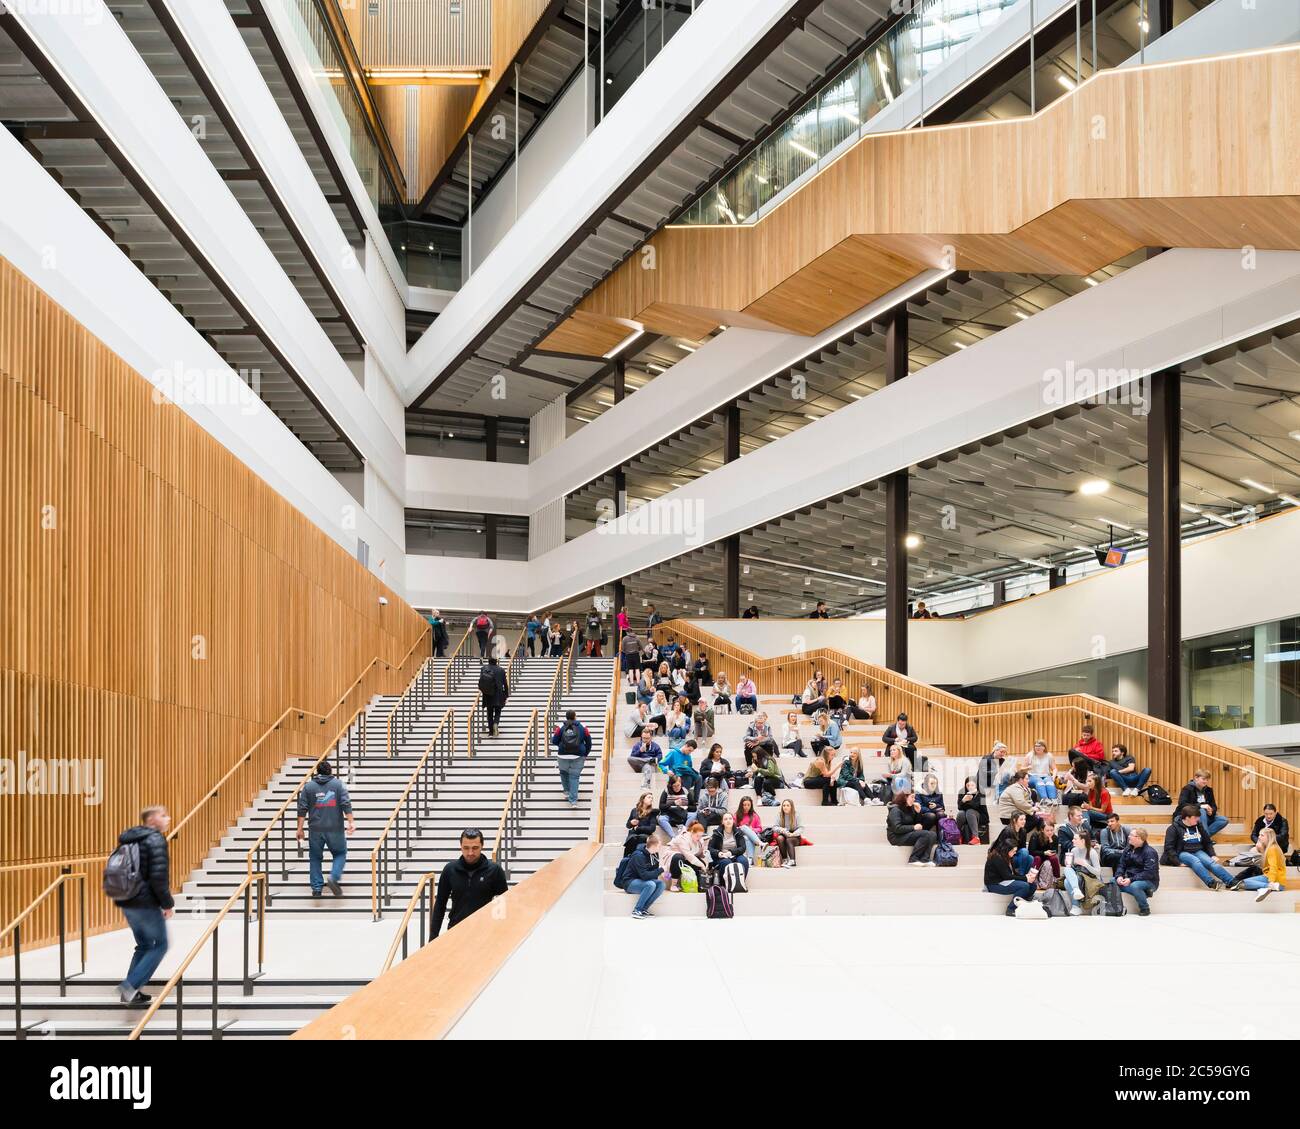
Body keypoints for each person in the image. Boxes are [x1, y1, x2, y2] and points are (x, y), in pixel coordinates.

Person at [111, 806, 174, 1006]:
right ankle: (131, 985)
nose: (168, 819)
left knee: (145, 945)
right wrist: (167, 904)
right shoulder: (155, 839)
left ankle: (131, 993)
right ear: (152, 820)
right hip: (145, 901)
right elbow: (158, 876)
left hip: (126, 899)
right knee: (161, 945)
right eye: (164, 815)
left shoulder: (128, 838)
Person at [430, 829, 509, 937]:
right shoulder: (450, 870)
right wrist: (433, 938)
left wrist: (502, 936)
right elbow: (440, 905)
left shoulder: (495, 870)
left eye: (475, 848)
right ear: (460, 846)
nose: (470, 853)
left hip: (485, 933)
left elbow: (503, 907)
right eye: (466, 848)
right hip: (456, 930)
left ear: (482, 846)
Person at [296, 759, 355, 898]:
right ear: (330, 771)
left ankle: (317, 889)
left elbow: (302, 808)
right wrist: (351, 822)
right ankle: (333, 878)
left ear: (317, 772)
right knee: (340, 853)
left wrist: (300, 829)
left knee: (315, 858)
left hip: (315, 829)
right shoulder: (338, 785)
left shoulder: (309, 787)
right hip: (335, 828)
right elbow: (346, 803)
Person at [1163, 804, 1234, 890]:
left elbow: (1207, 841)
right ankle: (1211, 883)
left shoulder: (1198, 825)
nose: (1198, 819)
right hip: (1182, 852)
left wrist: (1212, 854)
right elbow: (1169, 847)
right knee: (1196, 861)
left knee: (1211, 862)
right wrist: (1177, 862)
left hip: (1198, 850)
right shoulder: (1173, 828)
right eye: (1195, 817)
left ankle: (1231, 881)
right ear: (1187, 818)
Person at [1112, 827, 1160, 916]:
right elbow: (1121, 865)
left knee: (1135, 886)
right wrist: (1119, 876)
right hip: (1131, 878)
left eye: (1131, 835)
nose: (1129, 837)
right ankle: (1143, 893)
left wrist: (1131, 880)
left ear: (1138, 838)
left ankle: (1145, 908)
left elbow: (1149, 873)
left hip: (1149, 881)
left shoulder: (1150, 852)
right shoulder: (1128, 849)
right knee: (1112, 881)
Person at [985, 839, 1036, 916]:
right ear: (1007, 850)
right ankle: (1010, 909)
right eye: (1014, 851)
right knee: (1024, 886)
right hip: (995, 884)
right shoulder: (997, 857)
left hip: (1005, 881)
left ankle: (1023, 904)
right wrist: (1025, 879)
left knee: (1033, 885)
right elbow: (1007, 876)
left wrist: (1026, 877)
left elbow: (1013, 873)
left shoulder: (1008, 856)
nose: (1015, 853)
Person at [620, 834, 666, 919]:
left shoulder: (654, 855)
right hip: (629, 882)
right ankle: (637, 910)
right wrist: (660, 870)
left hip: (641, 881)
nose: (660, 848)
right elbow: (645, 876)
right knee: (650, 884)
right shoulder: (638, 855)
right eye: (659, 846)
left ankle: (643, 909)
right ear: (653, 846)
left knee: (661, 884)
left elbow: (653, 872)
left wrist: (662, 873)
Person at [551, 709, 592, 807]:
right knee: (574, 777)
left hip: (562, 755)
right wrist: (585, 754)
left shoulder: (561, 726)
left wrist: (562, 746)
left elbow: (554, 740)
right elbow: (589, 741)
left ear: (566, 717)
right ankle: (573, 801)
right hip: (578, 755)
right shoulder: (582, 726)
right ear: (575, 716)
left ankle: (567, 791)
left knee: (563, 772)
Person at [888, 789, 937, 865]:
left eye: (914, 797)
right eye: (912, 797)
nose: (914, 799)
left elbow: (917, 824)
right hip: (896, 836)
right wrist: (913, 828)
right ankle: (913, 859)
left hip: (907, 833)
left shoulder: (910, 808)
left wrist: (918, 813)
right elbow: (897, 828)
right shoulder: (895, 810)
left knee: (933, 834)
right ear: (905, 797)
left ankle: (925, 859)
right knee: (926, 834)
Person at [1238, 827, 1287, 902]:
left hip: (1273, 879)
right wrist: (1261, 850)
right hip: (1276, 880)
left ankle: (1268, 886)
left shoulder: (1272, 848)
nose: (1259, 837)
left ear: (1268, 837)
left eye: (1262, 835)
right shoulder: (1272, 847)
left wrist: (1271, 882)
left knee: (1243, 882)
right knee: (1243, 882)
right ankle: (1264, 888)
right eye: (1259, 835)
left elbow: (1273, 867)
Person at [1177, 769, 1229, 836]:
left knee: (1224, 820)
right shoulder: (1187, 788)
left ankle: (1203, 837)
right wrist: (1200, 806)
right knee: (1202, 810)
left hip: (1205, 817)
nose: (1205, 781)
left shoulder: (1209, 790)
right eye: (1203, 779)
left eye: (1207, 780)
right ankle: (1206, 839)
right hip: (1189, 816)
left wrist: (1211, 811)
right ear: (1196, 778)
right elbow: (1182, 804)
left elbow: (1213, 805)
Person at [662, 822, 710, 891]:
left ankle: (699, 884)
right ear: (692, 832)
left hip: (686, 859)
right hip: (673, 858)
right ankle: (673, 884)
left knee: (702, 863)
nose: (699, 838)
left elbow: (698, 854)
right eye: (697, 836)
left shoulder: (700, 840)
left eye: (701, 836)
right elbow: (688, 855)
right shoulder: (682, 838)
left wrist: (704, 852)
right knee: (679, 857)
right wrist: (701, 864)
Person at [710, 813, 751, 884]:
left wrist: (731, 852)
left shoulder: (738, 832)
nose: (728, 821)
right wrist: (719, 853)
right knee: (726, 862)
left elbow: (743, 848)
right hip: (722, 857)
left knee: (744, 861)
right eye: (725, 819)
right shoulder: (717, 833)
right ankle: (724, 884)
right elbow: (710, 848)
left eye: (730, 818)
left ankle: (740, 883)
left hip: (735, 855)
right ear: (722, 822)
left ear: (733, 820)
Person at [659, 736, 701, 802]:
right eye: (689, 750)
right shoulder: (673, 753)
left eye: (691, 751)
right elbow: (660, 764)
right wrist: (666, 771)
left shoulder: (688, 757)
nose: (689, 752)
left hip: (686, 779)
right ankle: (685, 798)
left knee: (699, 777)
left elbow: (689, 769)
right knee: (688, 778)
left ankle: (695, 800)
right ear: (686, 745)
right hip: (676, 778)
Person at [477, 653, 509, 737]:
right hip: (499, 694)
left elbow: (482, 681)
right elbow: (505, 684)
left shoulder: (483, 669)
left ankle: (491, 732)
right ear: (496, 661)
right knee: (498, 711)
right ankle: (496, 723)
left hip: (488, 694)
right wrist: (506, 695)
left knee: (489, 713)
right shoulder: (501, 670)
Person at [657, 774, 695, 840]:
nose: (677, 788)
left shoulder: (686, 791)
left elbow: (694, 807)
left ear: (681, 784)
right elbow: (661, 806)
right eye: (674, 786)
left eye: (678, 785)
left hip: (682, 814)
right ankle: (673, 837)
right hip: (669, 814)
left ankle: (684, 832)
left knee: (694, 815)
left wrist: (685, 807)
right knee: (661, 819)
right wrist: (673, 803)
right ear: (671, 785)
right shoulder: (666, 791)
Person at [772, 798, 802, 868]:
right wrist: (784, 831)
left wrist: (793, 834)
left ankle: (792, 860)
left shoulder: (796, 815)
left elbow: (801, 828)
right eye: (784, 805)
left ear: (791, 807)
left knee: (789, 840)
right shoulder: (779, 815)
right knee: (779, 838)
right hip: (784, 833)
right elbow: (774, 827)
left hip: (795, 836)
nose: (785, 807)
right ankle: (785, 859)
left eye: (788, 805)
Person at [733, 795, 764, 861]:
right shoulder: (736, 815)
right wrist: (741, 828)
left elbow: (760, 829)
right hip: (740, 836)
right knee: (744, 827)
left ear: (751, 806)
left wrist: (752, 829)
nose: (746, 807)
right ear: (741, 805)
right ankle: (760, 843)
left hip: (753, 836)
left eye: (748, 805)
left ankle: (750, 859)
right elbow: (733, 829)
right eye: (744, 805)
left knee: (747, 837)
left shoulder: (755, 815)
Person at [956, 777, 986, 843]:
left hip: (980, 815)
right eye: (968, 785)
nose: (970, 787)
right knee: (960, 813)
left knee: (970, 811)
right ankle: (958, 835)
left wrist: (969, 799)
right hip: (966, 815)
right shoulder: (962, 791)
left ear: (976, 785)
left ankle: (976, 837)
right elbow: (959, 807)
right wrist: (963, 800)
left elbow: (976, 806)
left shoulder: (981, 792)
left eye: (972, 785)